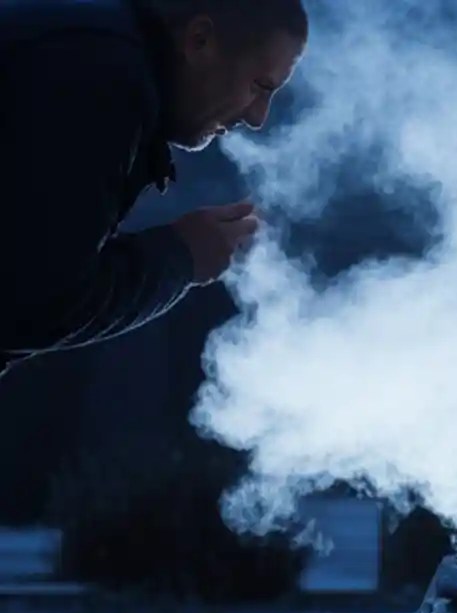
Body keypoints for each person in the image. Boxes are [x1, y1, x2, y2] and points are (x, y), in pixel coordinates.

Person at [0, 0, 308, 380]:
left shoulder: (86, 40)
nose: (258, 117)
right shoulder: (99, 75)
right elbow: (33, 307)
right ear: (199, 40)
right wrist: (182, 257)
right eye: (260, 86)